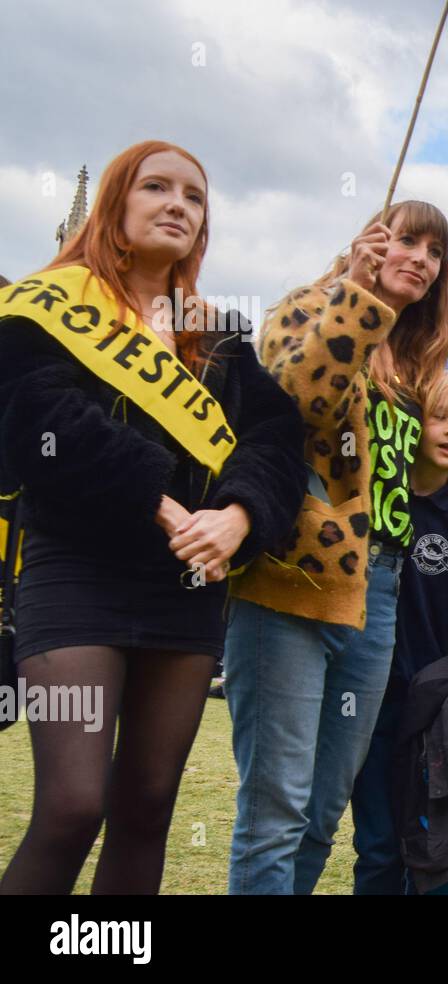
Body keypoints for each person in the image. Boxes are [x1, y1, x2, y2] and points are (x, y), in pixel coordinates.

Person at [0, 140, 305, 894]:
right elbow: (39, 416)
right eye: (156, 187)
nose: (177, 204)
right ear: (116, 205)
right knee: (72, 806)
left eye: (194, 198)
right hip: (78, 572)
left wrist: (239, 515)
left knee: (145, 809)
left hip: (185, 591)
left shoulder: (223, 337)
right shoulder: (48, 304)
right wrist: (159, 499)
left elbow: (275, 440)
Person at [224, 199, 448, 894]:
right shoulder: (311, 306)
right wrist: (353, 293)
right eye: (407, 240)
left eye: (434, 251)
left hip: (376, 592)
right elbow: (298, 397)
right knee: (278, 808)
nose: (419, 258)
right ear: (372, 242)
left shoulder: (415, 364)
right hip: (293, 578)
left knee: (324, 811)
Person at [350, 369, 448, 894]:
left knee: (434, 845)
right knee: (377, 844)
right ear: (413, 421)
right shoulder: (372, 499)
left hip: (435, 707)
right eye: (441, 416)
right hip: (370, 697)